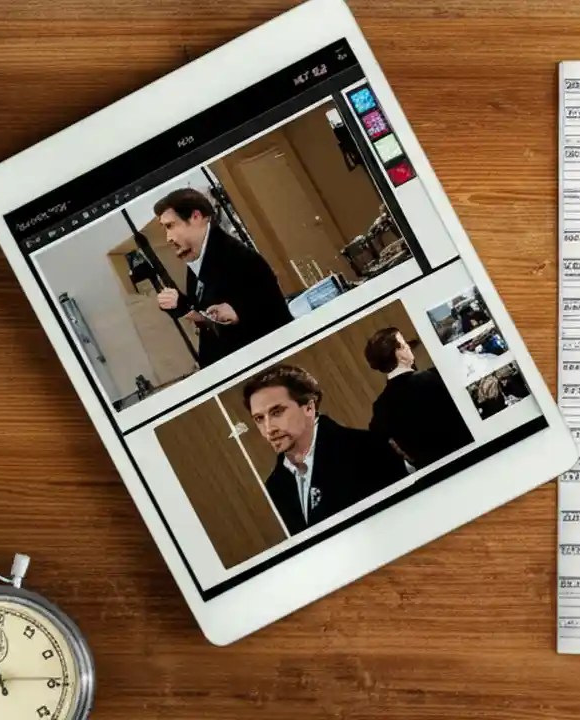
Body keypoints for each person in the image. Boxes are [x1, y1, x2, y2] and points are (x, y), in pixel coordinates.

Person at [243, 364, 408, 534]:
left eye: (277, 412)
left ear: (309, 407)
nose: (269, 429)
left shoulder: (366, 448)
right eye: (259, 419)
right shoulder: (275, 486)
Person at [154, 188, 293, 368]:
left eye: (170, 226)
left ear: (196, 217)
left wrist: (236, 313)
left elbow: (266, 314)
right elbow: (206, 313)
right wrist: (180, 305)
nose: (168, 238)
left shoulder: (236, 257)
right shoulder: (199, 260)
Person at [364, 327, 474, 469]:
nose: (409, 347)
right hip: (469, 455)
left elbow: (380, 444)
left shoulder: (380, 407)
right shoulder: (430, 379)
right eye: (404, 344)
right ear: (399, 354)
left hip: (433, 471)